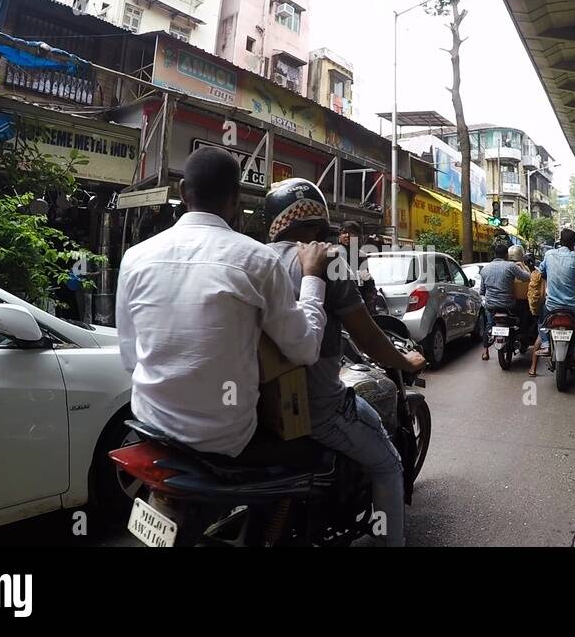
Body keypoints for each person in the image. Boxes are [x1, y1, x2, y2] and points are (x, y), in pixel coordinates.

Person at [116, 147, 331, 460]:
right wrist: (313, 277)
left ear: (182, 192)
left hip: (150, 425)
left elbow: (130, 358)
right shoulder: (258, 260)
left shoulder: (134, 258)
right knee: (308, 461)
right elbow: (305, 349)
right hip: (226, 438)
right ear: (236, 200)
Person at [267, 179, 426, 547]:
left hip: (263, 404)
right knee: (388, 466)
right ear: (319, 222)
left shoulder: (256, 258)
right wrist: (404, 361)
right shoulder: (328, 260)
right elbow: (367, 335)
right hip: (317, 408)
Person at [538, 228, 575, 362]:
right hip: (572, 306)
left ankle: (545, 344)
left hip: (551, 306)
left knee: (541, 322)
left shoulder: (549, 255)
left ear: (560, 241)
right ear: (574, 244)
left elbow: (541, 272)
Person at [480, 242, 531, 361]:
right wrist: (522, 266)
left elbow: (482, 291)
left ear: (494, 255)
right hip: (508, 304)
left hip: (491, 305)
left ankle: (485, 351)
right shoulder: (511, 266)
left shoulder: (485, 269)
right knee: (520, 315)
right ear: (506, 255)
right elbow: (527, 277)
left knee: (489, 324)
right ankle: (519, 336)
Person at [338, 220, 379, 312]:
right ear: (339, 236)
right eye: (344, 233)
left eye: (351, 233)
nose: (347, 236)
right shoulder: (334, 254)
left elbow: (367, 284)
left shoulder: (361, 256)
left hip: (359, 302)